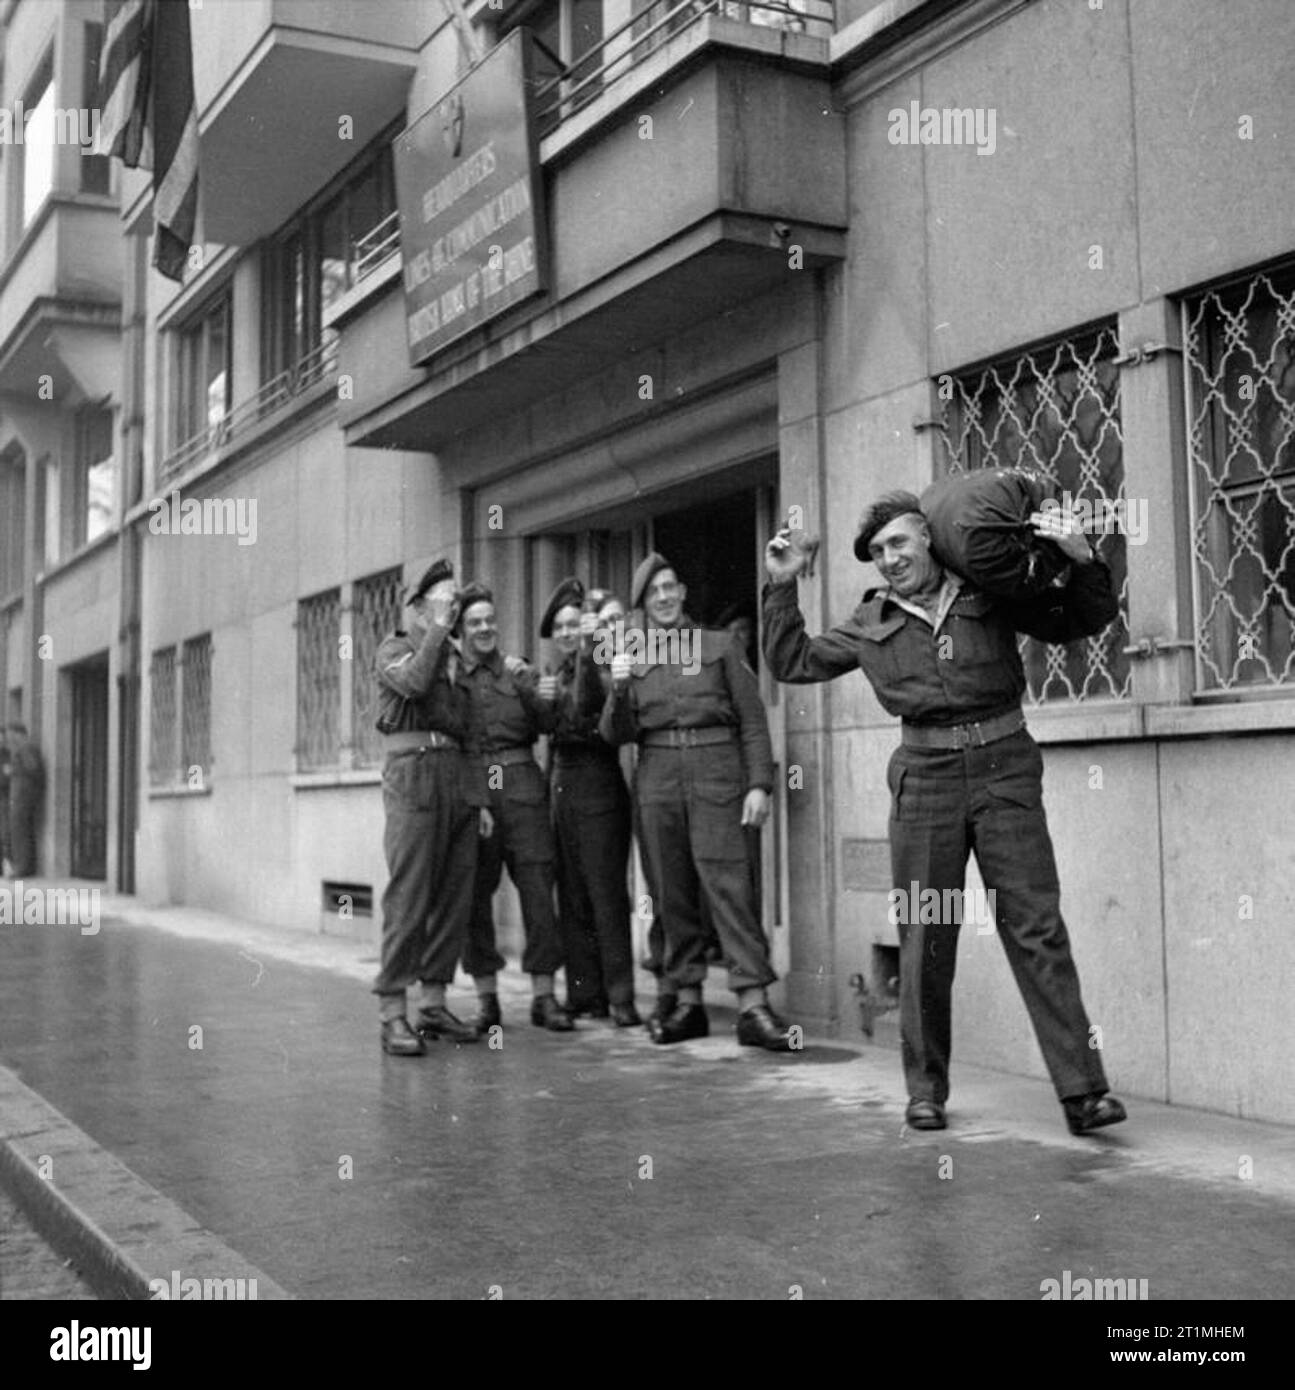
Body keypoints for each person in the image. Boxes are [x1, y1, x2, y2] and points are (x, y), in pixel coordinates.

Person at [762, 491, 1129, 1136]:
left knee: (1036, 927)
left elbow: (1082, 617)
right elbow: (793, 661)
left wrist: (1081, 556)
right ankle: (925, 1090)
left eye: (899, 543)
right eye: (878, 553)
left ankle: (1084, 1093)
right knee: (929, 935)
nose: (890, 558)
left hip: (1005, 770)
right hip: (925, 782)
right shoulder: (869, 622)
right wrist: (781, 584)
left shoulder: (991, 589)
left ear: (929, 538)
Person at [600, 552, 794, 1050]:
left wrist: (759, 785)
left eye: (670, 587)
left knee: (731, 886)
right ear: (643, 604)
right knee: (671, 891)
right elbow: (615, 734)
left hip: (717, 773)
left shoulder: (720, 644)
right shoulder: (633, 655)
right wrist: (619, 688)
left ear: (682, 592)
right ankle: (688, 1002)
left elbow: (752, 719)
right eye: (653, 593)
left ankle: (753, 1004)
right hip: (657, 779)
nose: (663, 598)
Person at [372, 559, 489, 1056]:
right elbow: (416, 685)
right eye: (442, 601)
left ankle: (434, 1004)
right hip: (412, 774)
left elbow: (475, 730)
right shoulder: (395, 648)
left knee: (452, 897)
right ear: (418, 607)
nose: (451, 608)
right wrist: (440, 629)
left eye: (453, 601)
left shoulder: (455, 658)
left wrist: (480, 798)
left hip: (455, 778)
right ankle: (393, 1011)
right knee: (410, 896)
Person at [456, 582, 573, 1033]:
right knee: (474, 896)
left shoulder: (517, 671)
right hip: (478, 786)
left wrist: (541, 694)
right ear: (462, 629)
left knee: (539, 889)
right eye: (475, 622)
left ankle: (545, 996)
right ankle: (487, 999)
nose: (485, 628)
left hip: (522, 782)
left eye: (490, 620)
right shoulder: (454, 677)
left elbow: (548, 724)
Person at [540, 578, 639, 1026]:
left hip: (598, 779)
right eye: (559, 627)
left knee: (605, 893)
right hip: (561, 783)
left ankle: (620, 997)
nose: (566, 633)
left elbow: (587, 706)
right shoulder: (551, 676)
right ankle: (585, 995)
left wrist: (587, 648)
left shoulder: (599, 663)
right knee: (573, 894)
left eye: (572, 624)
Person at [6, 724, 45, 878]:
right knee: (21, 831)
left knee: (20, 832)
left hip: (23, 796)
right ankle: (25, 866)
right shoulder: (24, 748)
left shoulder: (26, 748)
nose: (9, 739)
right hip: (22, 795)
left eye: (10, 734)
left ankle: (22, 867)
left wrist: (13, 771)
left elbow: (32, 768)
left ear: (18, 734)